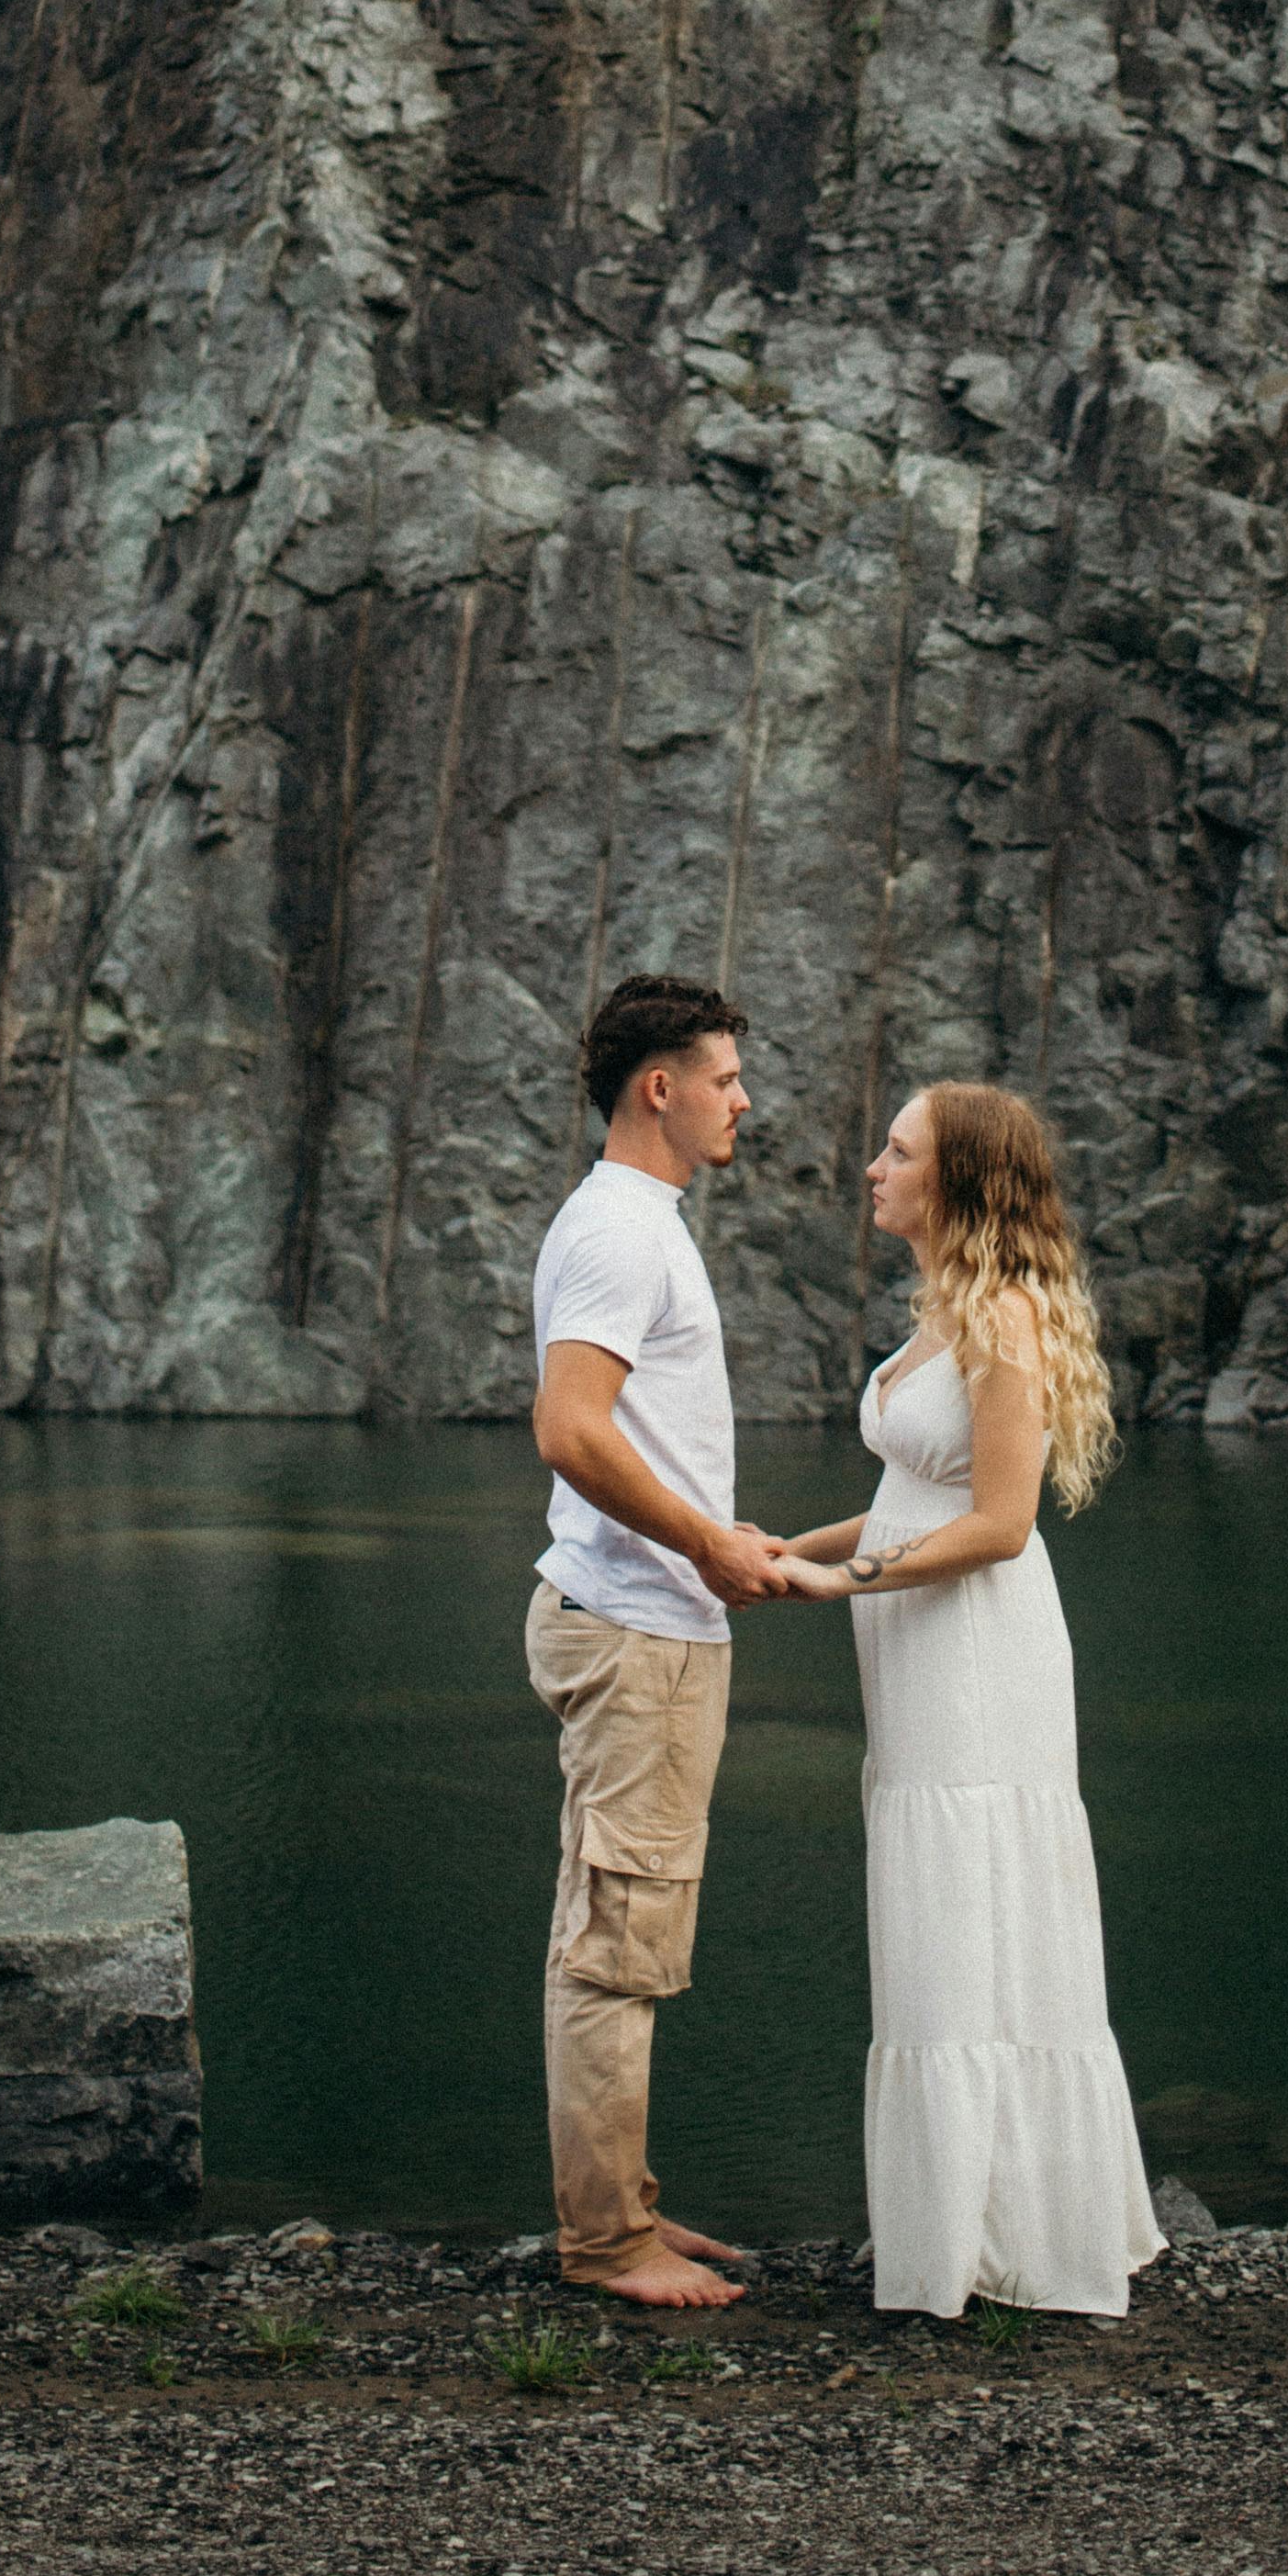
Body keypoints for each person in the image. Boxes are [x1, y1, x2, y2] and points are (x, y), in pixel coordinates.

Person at [778, 1084, 1162, 2321]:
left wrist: (838, 1575)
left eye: (897, 1150)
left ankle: (1012, 2237)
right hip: (915, 1648)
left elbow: (997, 1528)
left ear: (956, 1183)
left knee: (979, 1900)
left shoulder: (1002, 1317)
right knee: (942, 1908)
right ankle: (971, 2222)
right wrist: (782, 1550)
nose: (873, 1167)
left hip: (981, 1655)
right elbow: (907, 1500)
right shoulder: (935, 1315)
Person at [525, 970, 792, 2311]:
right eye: (728, 1078)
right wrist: (708, 1543)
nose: (746, 1100)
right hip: (641, 1628)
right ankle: (602, 2244)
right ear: (661, 1088)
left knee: (618, 1923)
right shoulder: (625, 1232)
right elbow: (570, 1429)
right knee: (614, 1939)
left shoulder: (635, 1220)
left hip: (644, 1621)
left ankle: (624, 2210)